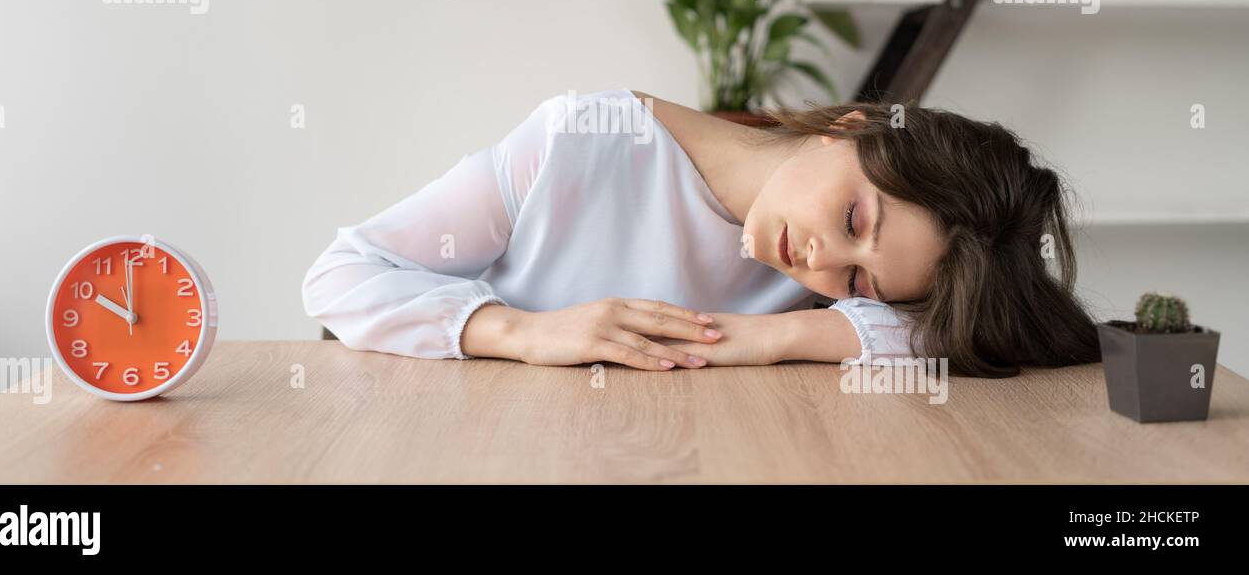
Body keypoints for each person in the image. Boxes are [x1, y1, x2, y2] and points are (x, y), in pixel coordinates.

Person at [302, 88, 1102, 378]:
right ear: (853, 129)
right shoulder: (581, 141)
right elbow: (340, 273)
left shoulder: (818, 286)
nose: (824, 262)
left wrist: (775, 338)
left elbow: (961, 336)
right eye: (857, 219)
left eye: (860, 282)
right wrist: (520, 330)